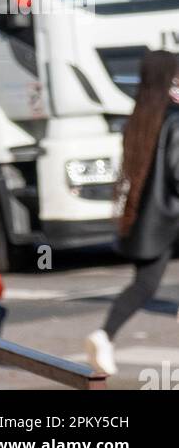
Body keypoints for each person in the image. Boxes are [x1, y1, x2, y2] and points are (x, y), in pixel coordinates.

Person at [86, 49, 179, 377]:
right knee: (146, 286)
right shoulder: (175, 120)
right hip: (172, 218)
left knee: (143, 286)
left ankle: (104, 334)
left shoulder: (140, 117)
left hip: (147, 220)